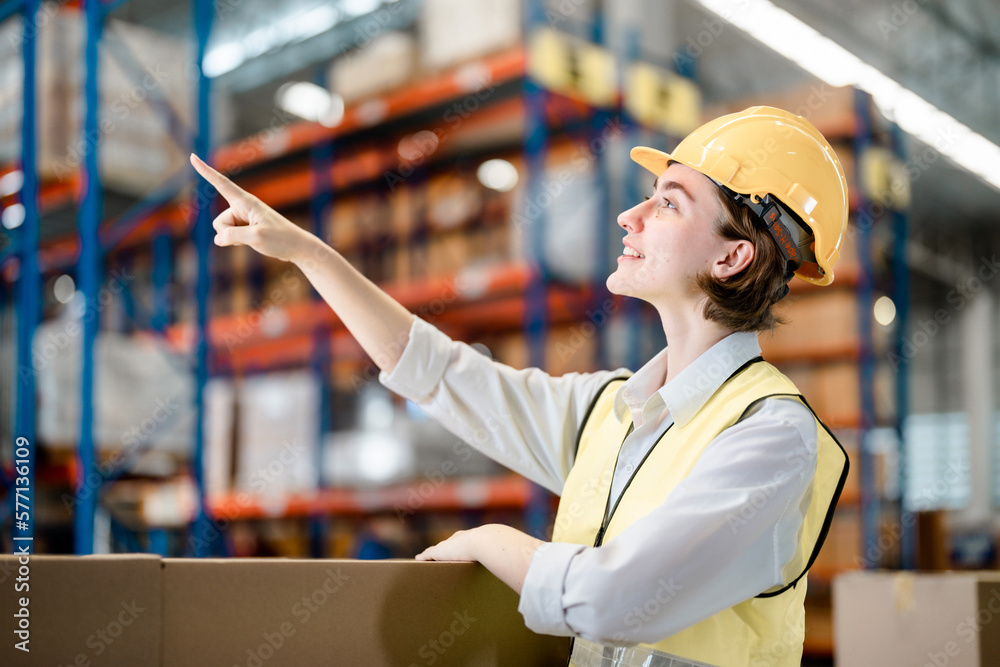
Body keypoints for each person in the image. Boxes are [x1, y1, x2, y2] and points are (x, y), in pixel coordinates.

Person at [191, 105, 849, 667]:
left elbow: (610, 599)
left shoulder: (770, 437)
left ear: (731, 256)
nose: (630, 214)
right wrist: (310, 252)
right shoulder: (613, 411)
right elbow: (441, 372)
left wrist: (486, 539)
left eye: (668, 203)